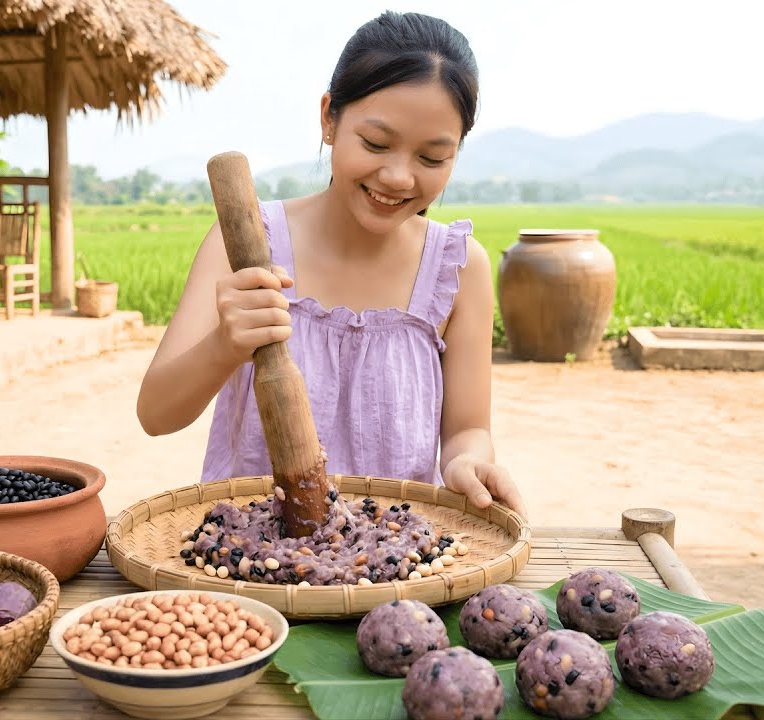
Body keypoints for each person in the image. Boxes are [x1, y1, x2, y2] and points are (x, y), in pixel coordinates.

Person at [136, 11, 528, 522]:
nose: (398, 176)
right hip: (251, 564)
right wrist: (224, 346)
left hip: (395, 568)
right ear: (329, 119)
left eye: (433, 159)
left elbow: (466, 429)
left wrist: (469, 462)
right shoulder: (246, 245)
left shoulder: (458, 268)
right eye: (376, 143)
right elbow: (156, 414)